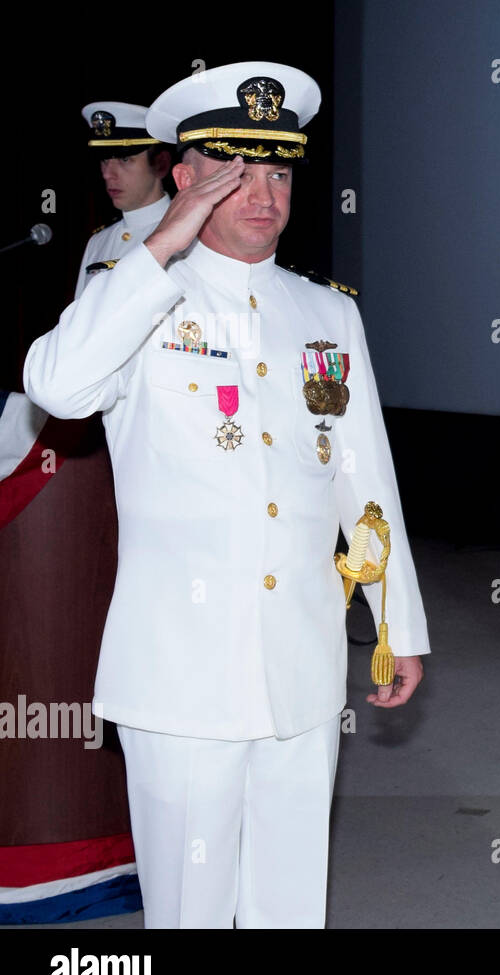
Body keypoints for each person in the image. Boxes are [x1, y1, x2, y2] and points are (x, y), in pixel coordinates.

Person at [23, 62, 430, 928]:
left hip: (301, 673)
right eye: (235, 173)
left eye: (278, 173)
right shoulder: (134, 299)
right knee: (190, 911)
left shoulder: (327, 315)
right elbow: (56, 388)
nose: (262, 195)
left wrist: (398, 626)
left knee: (289, 908)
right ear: (185, 180)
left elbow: (366, 484)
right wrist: (162, 243)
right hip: (180, 681)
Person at [78, 102, 172, 298]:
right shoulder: (98, 242)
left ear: (160, 163)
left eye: (125, 160)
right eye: (104, 160)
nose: (107, 175)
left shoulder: (189, 234)